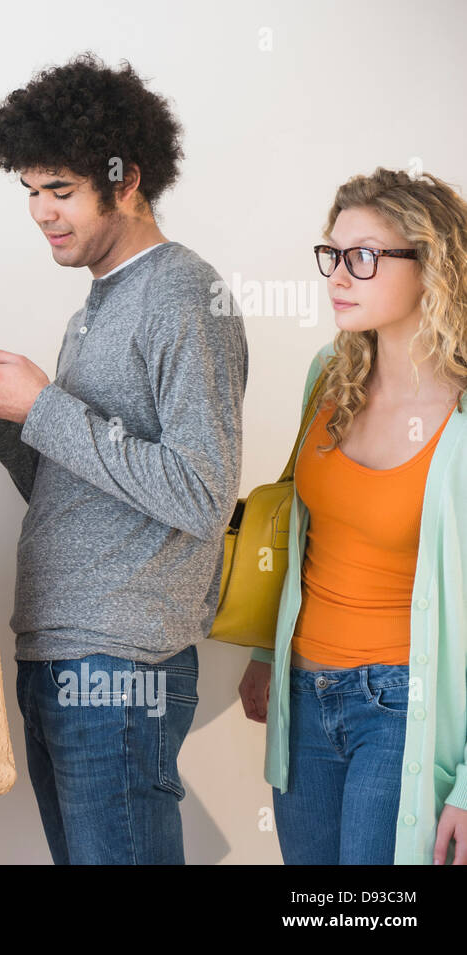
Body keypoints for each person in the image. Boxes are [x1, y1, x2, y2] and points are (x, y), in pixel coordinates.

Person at [0, 53, 248, 864]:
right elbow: (79, 491)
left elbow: (201, 491)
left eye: (62, 190)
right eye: (31, 191)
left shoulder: (184, 294)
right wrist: (5, 416)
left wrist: (43, 405)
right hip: (59, 652)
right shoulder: (98, 304)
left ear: (128, 179)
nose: (41, 212)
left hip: (119, 664)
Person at [238, 168, 467, 865]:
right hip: (302, 696)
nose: (339, 274)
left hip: (403, 708)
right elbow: (299, 528)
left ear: (432, 267)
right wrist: (264, 651)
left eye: (364, 256)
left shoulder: (460, 418)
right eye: (332, 255)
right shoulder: (327, 377)